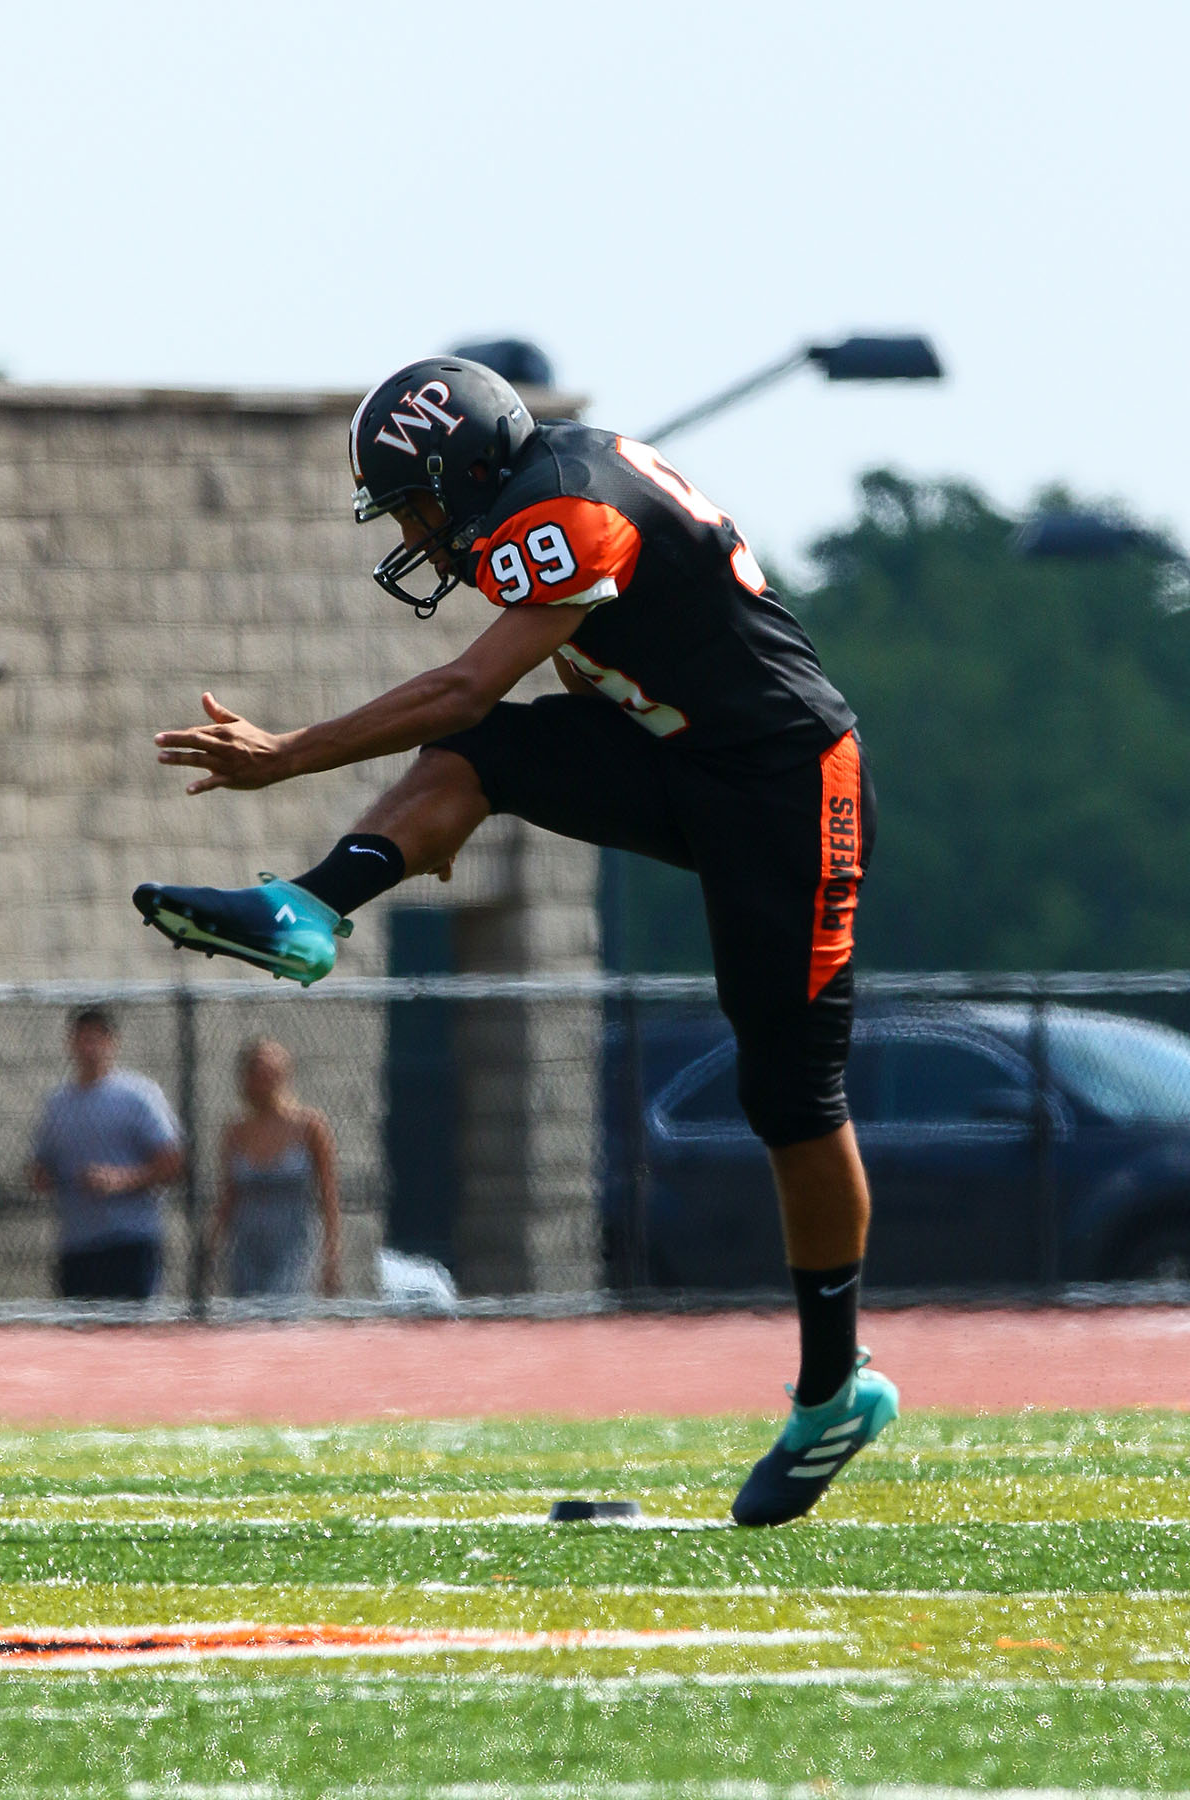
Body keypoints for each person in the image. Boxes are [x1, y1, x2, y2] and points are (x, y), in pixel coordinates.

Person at [133, 355, 898, 1523]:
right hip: (683, 755)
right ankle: (311, 906)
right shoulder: (545, 490)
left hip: (790, 786)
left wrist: (289, 752)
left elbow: (460, 686)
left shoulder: (567, 507)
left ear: (467, 470)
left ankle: (837, 1384)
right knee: (483, 762)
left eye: (414, 500)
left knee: (789, 1092)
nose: (410, 530)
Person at [31, 1005, 183, 1301]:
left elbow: (173, 1162)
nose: (89, 1047)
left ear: (112, 1042)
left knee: (133, 1336)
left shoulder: (138, 1095)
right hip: (77, 1244)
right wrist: (42, 1177)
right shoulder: (58, 1103)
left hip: (130, 1240)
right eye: (81, 1038)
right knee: (81, 1340)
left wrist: (120, 1180)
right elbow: (40, 1163)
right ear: (70, 1043)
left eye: (96, 1038)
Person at [207, 1037, 341, 1300]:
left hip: (293, 1246)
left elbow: (328, 1193)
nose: (265, 1077)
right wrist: (210, 1246)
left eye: (271, 1070)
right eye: (257, 1070)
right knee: (247, 1323)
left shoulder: (310, 1127)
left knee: (285, 1322)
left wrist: (332, 1254)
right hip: (246, 1246)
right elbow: (228, 1194)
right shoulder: (235, 1131)